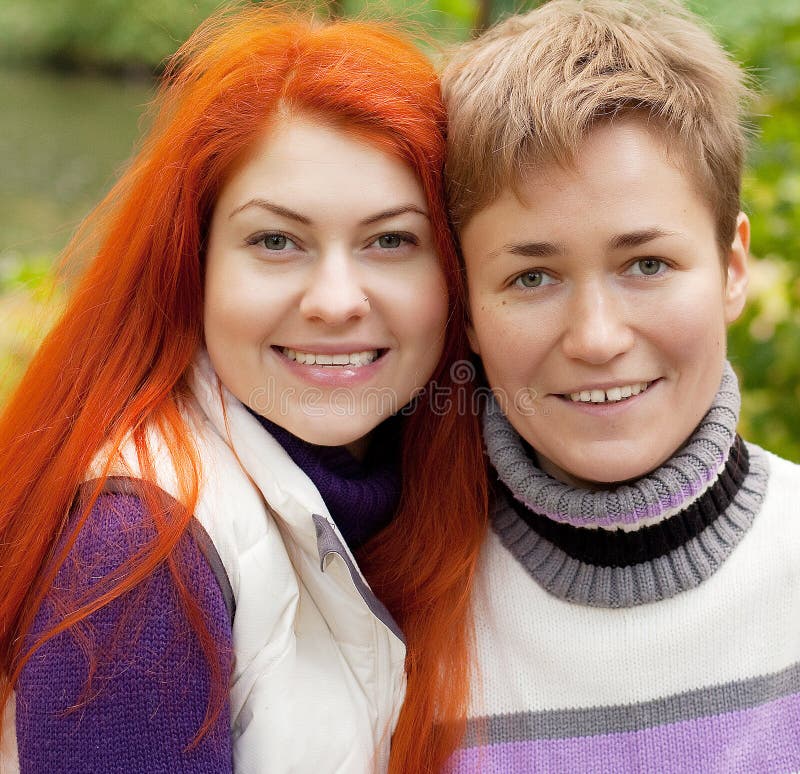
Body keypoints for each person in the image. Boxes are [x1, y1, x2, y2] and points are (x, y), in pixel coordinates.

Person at [0, 7, 487, 773]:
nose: (336, 300)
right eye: (276, 241)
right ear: (193, 266)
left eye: (391, 239)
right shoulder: (136, 563)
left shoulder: (440, 484)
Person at [434, 0, 800, 770]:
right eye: (531, 277)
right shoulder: (397, 613)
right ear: (463, 305)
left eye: (647, 265)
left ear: (733, 267)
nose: (597, 338)